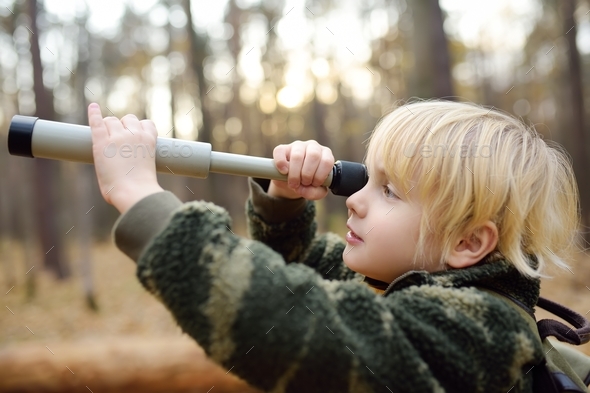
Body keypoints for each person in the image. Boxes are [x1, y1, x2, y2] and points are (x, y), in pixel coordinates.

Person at [87, 99, 581, 393]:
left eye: (388, 191)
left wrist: (143, 197)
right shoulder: (401, 283)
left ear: (468, 241)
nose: (355, 202)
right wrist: (284, 202)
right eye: (366, 178)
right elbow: (295, 268)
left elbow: (287, 324)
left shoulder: (477, 332)